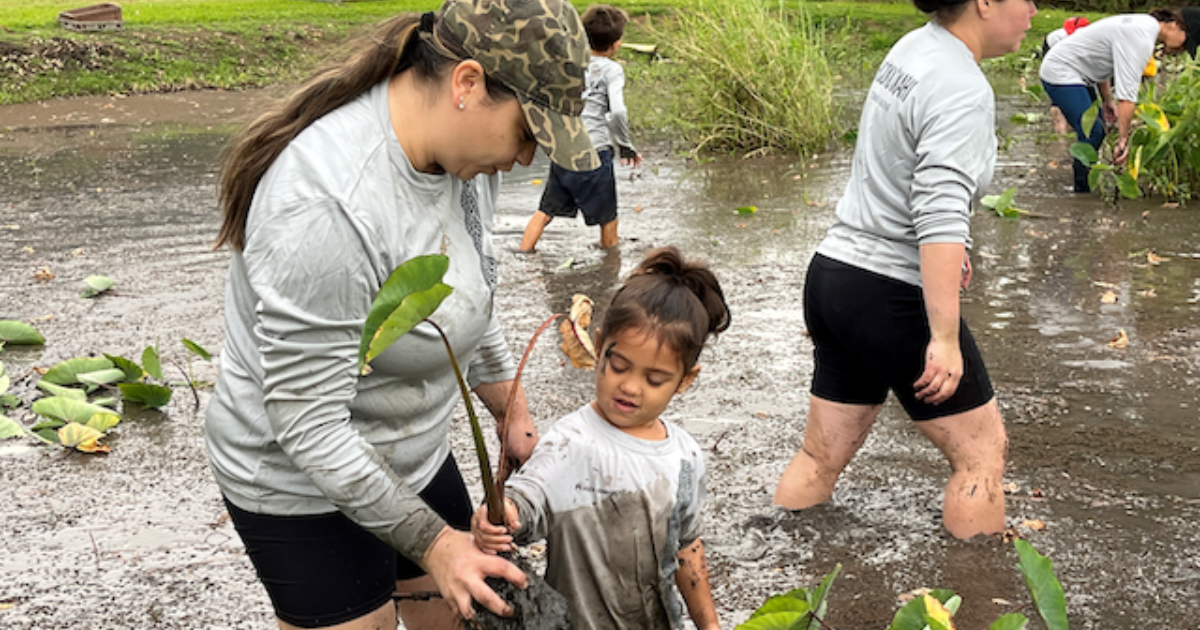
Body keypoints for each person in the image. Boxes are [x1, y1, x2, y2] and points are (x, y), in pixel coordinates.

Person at [204, 0, 599, 628]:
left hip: (408, 449)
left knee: (460, 611)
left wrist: (512, 414)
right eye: (529, 133)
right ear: (466, 84)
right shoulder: (327, 204)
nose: (527, 159)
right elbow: (307, 424)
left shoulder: (461, 153)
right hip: (298, 476)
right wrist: (440, 546)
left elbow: (463, 289)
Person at [773, 0, 1037, 540]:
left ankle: (784, 570)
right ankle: (980, 607)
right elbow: (938, 210)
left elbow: (896, 168)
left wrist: (949, 248)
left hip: (836, 276)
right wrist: (943, 337)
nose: (1035, 8)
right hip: (890, 293)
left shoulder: (914, 48)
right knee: (980, 457)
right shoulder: (963, 86)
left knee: (820, 458)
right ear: (985, 2)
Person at [472, 246, 728, 630]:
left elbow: (687, 548)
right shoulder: (571, 441)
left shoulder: (685, 457)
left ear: (684, 381)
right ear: (599, 343)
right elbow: (528, 498)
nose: (630, 387)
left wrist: (709, 626)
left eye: (654, 379)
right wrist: (502, 514)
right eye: (619, 365)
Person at [519, 4, 642, 253]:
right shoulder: (612, 70)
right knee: (608, 219)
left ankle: (523, 253)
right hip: (593, 152)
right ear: (616, 44)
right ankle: (608, 273)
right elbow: (617, 111)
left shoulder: (567, 64)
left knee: (545, 212)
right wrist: (626, 146)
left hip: (563, 147)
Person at [1040, 8, 1198, 193]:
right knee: (1092, 133)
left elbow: (1101, 62)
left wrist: (1107, 100)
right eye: (1186, 43)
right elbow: (1126, 96)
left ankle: (1085, 182)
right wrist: (1124, 140)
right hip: (1060, 70)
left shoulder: (1143, 25)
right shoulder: (1141, 37)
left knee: (1097, 127)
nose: (1182, 50)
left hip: (1079, 72)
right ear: (1177, 26)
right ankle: (1081, 192)